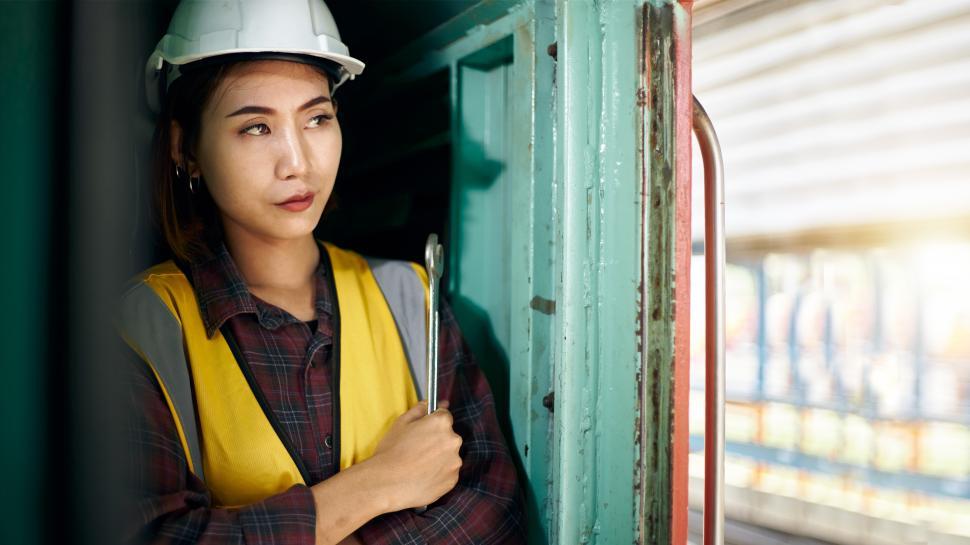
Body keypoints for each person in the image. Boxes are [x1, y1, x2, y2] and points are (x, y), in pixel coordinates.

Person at [118, 1, 525, 543]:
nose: (299, 162)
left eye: (316, 118)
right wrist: (378, 485)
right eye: (257, 127)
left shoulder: (407, 293)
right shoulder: (143, 326)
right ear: (184, 148)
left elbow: (492, 503)